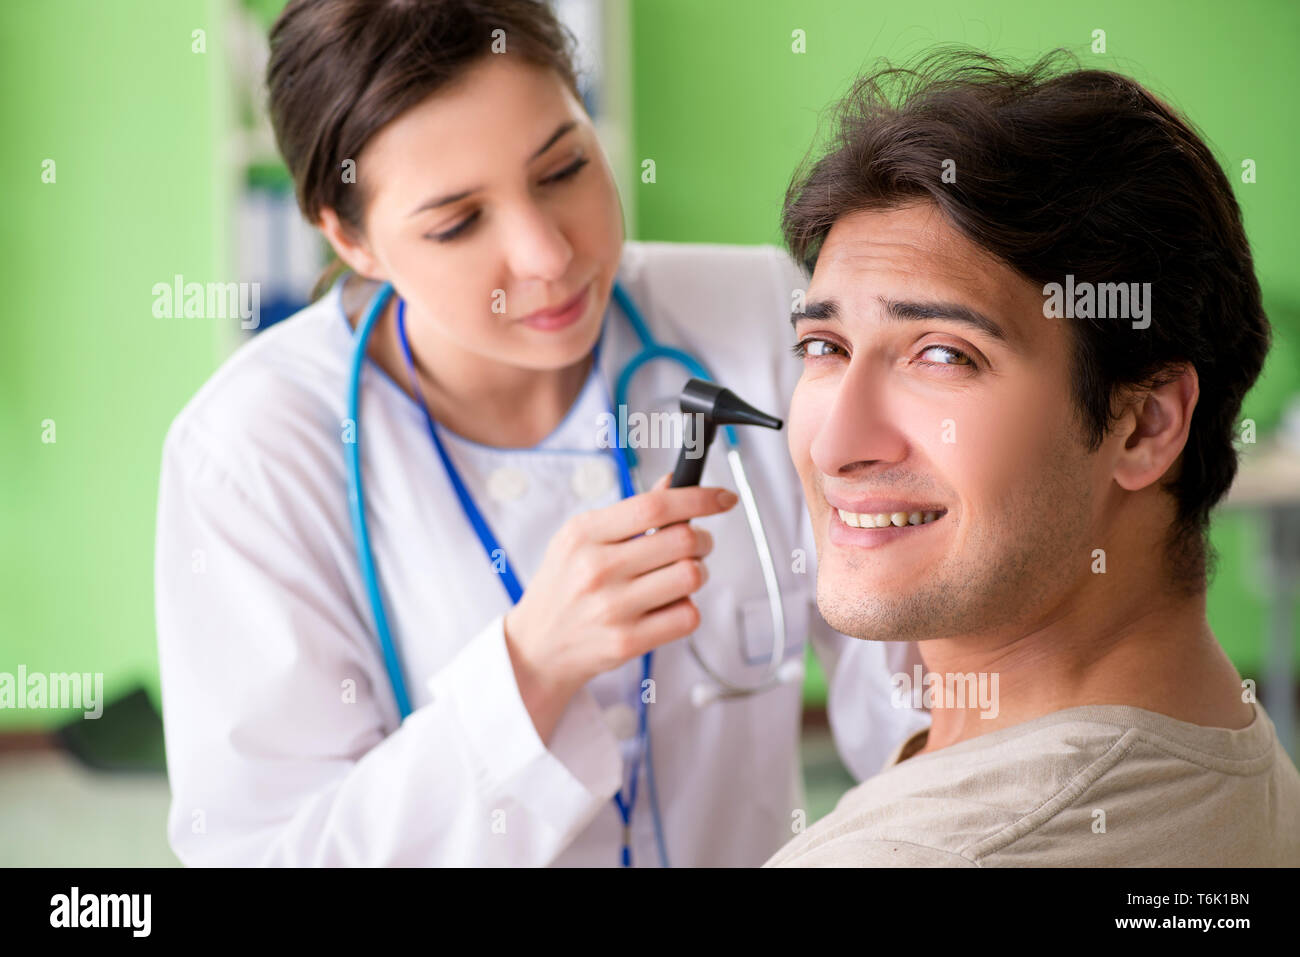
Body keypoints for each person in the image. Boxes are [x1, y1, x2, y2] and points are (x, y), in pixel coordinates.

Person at [153, 0, 926, 867]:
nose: (548, 254)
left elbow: (916, 694)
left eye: (562, 169)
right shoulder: (251, 453)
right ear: (349, 235)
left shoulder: (758, 320)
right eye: (458, 221)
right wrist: (530, 666)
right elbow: (271, 854)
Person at [766, 48, 1300, 867]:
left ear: (1145, 424)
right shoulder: (1226, 748)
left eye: (941, 355)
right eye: (825, 345)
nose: (837, 443)